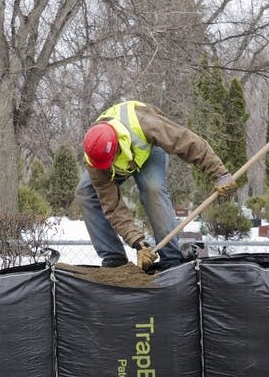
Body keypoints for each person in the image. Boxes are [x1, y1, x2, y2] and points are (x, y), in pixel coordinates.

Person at [76, 100, 236, 270]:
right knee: (85, 192)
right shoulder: (94, 160)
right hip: (122, 161)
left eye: (109, 163)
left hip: (147, 149)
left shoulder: (146, 123)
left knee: (152, 188)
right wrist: (139, 244)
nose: (107, 168)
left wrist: (220, 174)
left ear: (117, 148)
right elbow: (113, 206)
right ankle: (114, 260)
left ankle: (171, 258)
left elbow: (187, 141)